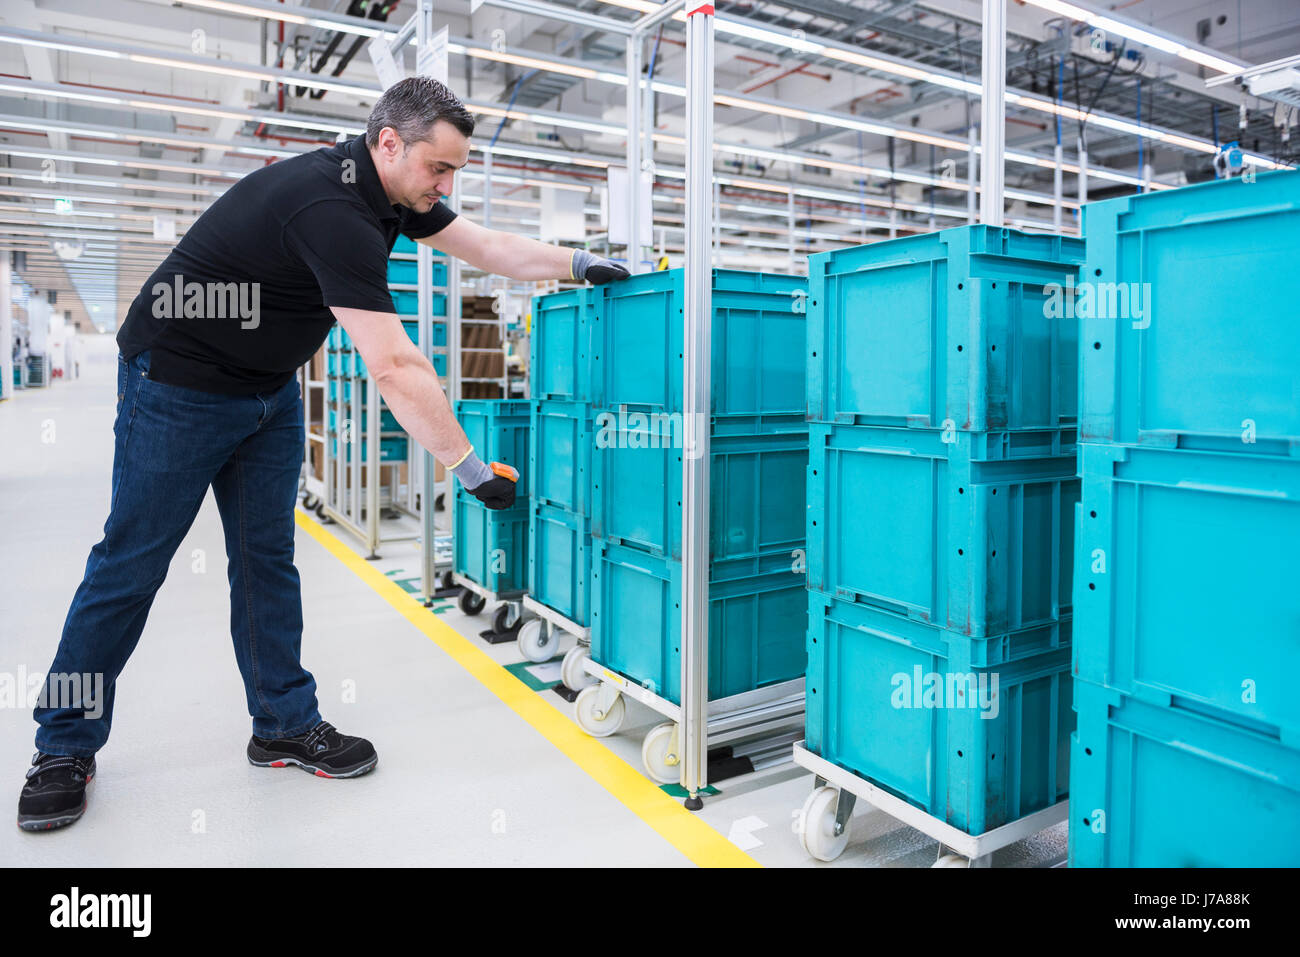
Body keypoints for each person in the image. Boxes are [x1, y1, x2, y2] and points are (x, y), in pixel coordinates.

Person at [18, 76, 629, 831]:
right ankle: (62, 745)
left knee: (267, 557)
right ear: (388, 143)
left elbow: (487, 245)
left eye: (455, 173)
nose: (445, 186)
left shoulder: (393, 193)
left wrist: (578, 262)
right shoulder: (331, 208)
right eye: (440, 168)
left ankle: (281, 720)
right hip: (177, 383)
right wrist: (470, 470)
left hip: (268, 390)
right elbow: (395, 366)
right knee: (131, 562)